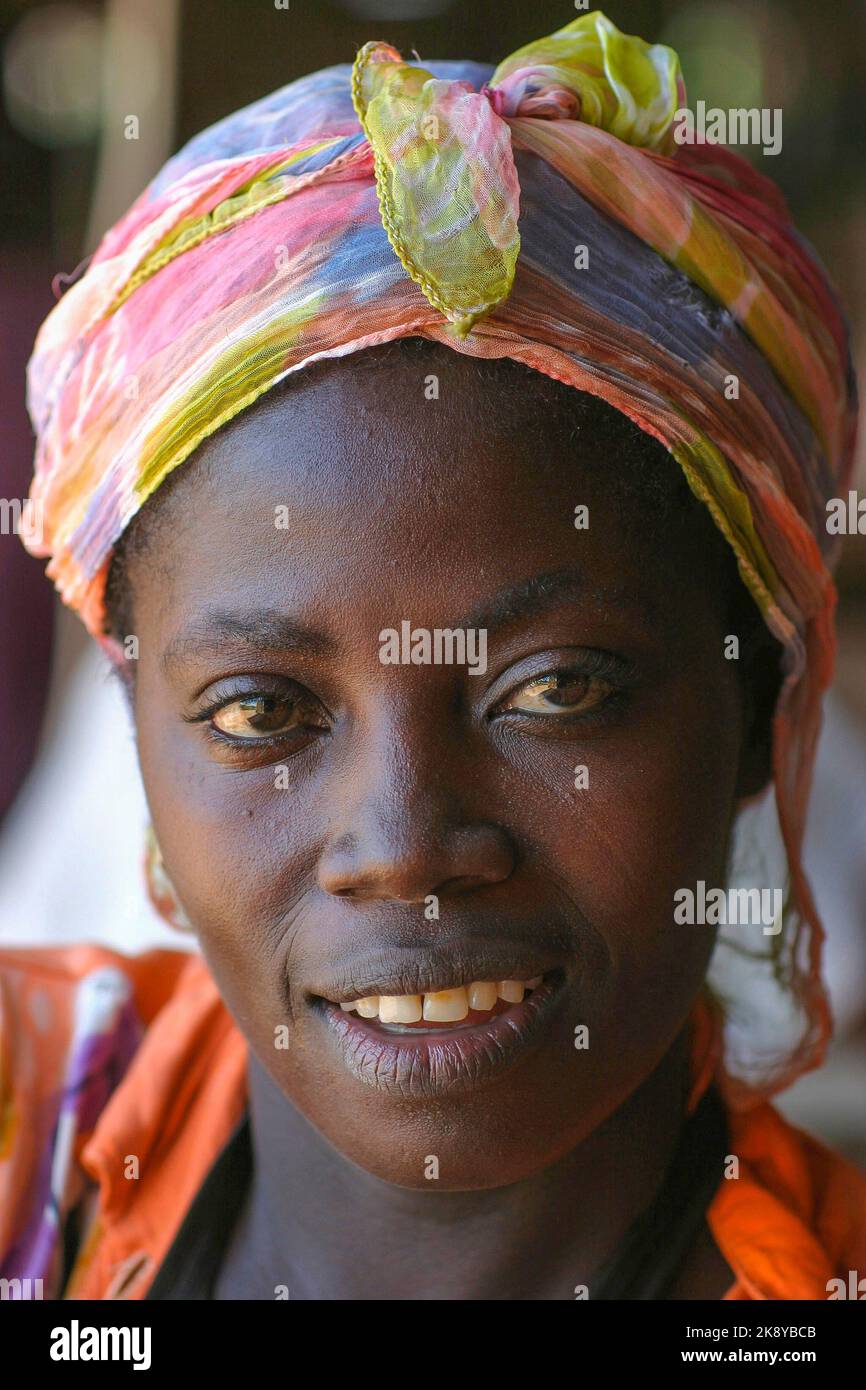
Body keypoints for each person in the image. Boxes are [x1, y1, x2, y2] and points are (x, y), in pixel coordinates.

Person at [3, 11, 864, 1300]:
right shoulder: (31, 1136)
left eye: (556, 690)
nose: (404, 841)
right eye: (258, 711)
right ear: (135, 731)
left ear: (756, 706)